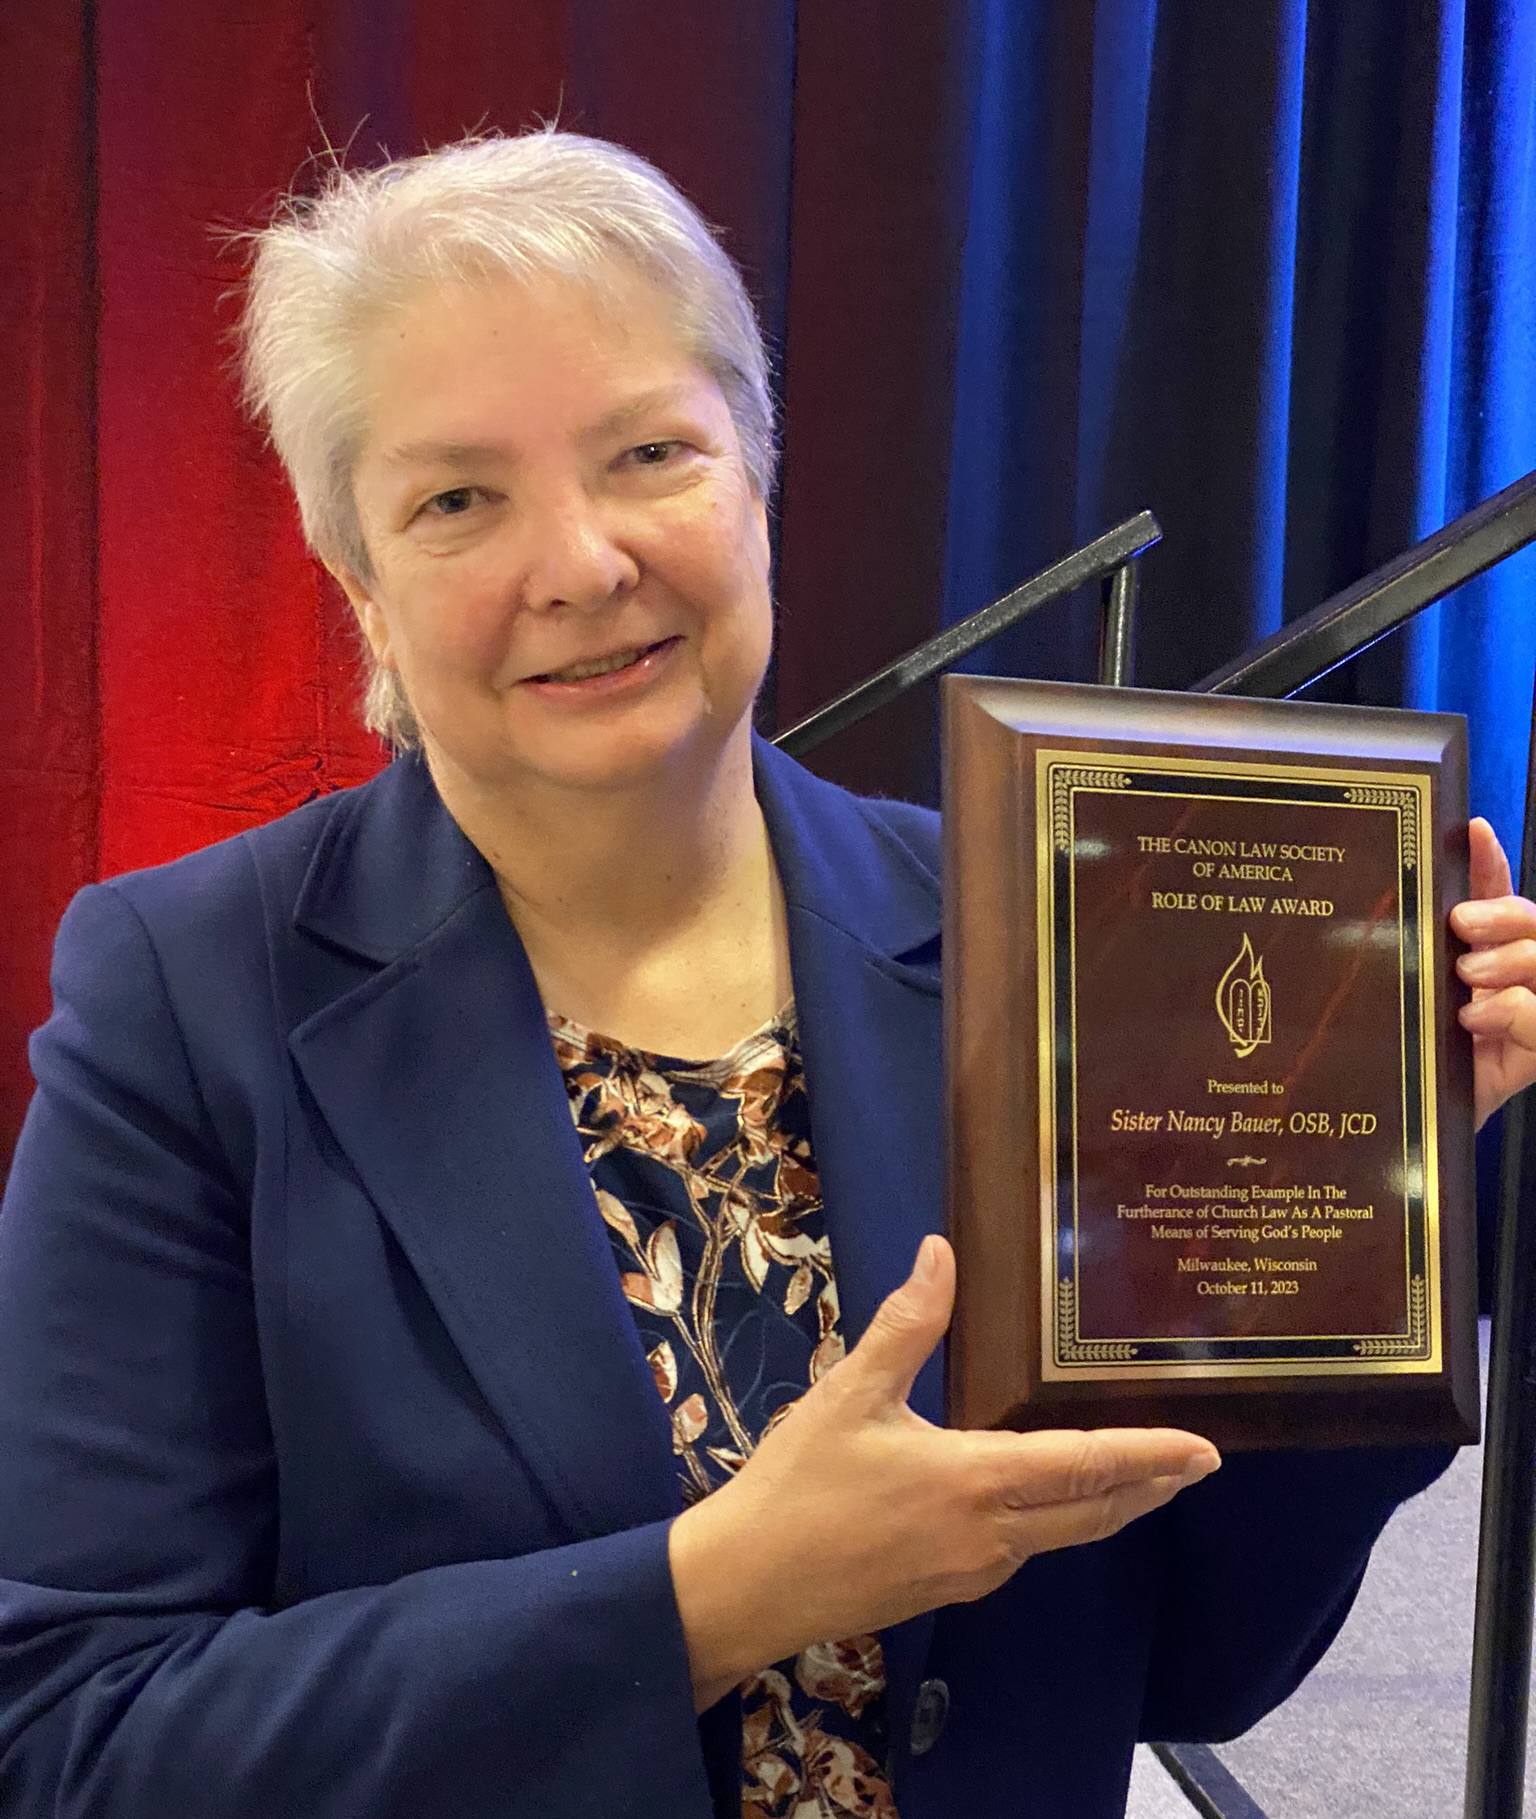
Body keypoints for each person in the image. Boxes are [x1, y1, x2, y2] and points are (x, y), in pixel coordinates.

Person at [0, 129, 1532, 1819]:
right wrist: (712, 1599)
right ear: (361, 590)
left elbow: (1195, 1663)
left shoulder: (1047, 936)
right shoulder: (187, 1002)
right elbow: (71, 1732)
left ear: (757, 477)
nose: (583, 564)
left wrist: (1364, 1204)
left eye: (651, 452)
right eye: (458, 500)